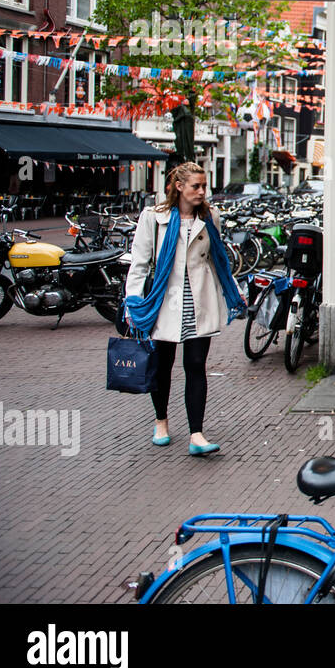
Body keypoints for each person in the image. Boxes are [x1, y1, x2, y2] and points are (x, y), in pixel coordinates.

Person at [124, 162, 246, 456]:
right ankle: (161, 421)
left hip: (199, 300)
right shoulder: (154, 217)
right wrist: (132, 301)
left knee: (195, 366)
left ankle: (197, 434)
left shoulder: (210, 216)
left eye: (204, 186)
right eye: (196, 186)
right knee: (162, 366)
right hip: (164, 301)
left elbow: (219, 260)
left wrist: (235, 293)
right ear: (179, 187)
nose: (202, 192)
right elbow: (139, 263)